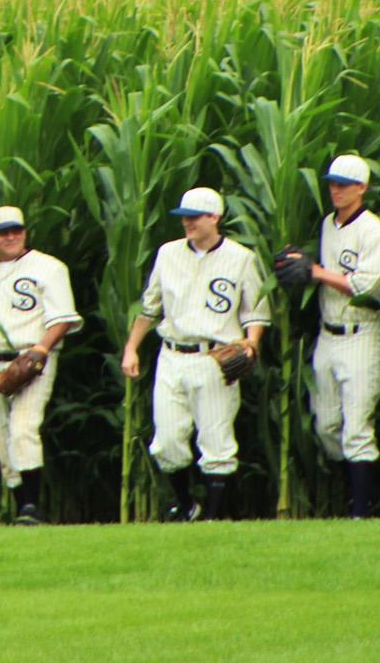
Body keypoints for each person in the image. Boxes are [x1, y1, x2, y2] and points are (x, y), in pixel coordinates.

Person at [121, 187, 270, 521]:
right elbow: (150, 307)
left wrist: (251, 344)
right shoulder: (168, 254)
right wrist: (131, 348)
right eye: (184, 217)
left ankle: (215, 517)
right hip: (172, 354)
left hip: (214, 357)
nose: (187, 222)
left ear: (214, 217)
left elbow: (256, 311)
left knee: (216, 440)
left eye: (194, 217)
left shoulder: (240, 257)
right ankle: (186, 504)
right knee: (168, 441)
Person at [0, 206, 81, 525]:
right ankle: (20, 507)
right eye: (2, 231)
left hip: (33, 359)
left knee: (24, 429)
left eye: (16, 230)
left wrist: (41, 350)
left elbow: (63, 318)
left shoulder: (48, 267)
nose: (10, 236)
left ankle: (31, 508)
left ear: (25, 232)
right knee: (2, 441)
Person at [301, 154, 380, 518]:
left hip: (362, 332)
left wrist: (315, 272)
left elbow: (364, 288)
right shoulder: (329, 223)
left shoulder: (373, 232)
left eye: (344, 184)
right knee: (327, 426)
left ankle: (360, 513)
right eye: (332, 183)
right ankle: (371, 494)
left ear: (362, 188)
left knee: (356, 427)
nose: (336, 190)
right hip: (329, 334)